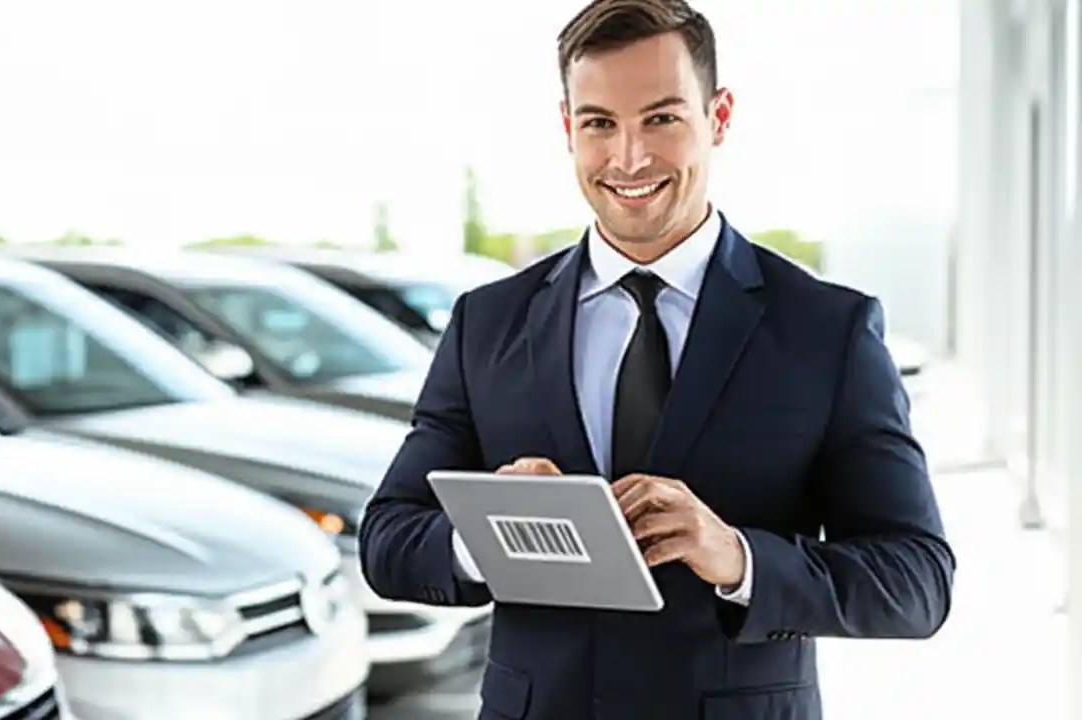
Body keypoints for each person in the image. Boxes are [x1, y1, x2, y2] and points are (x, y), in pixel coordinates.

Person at [358, 1, 956, 718]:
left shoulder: (827, 329)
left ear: (720, 117)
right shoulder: (487, 323)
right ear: (568, 128)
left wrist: (736, 556)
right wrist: (488, 541)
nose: (629, 158)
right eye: (600, 124)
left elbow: (917, 583)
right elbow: (387, 538)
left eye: (662, 119)